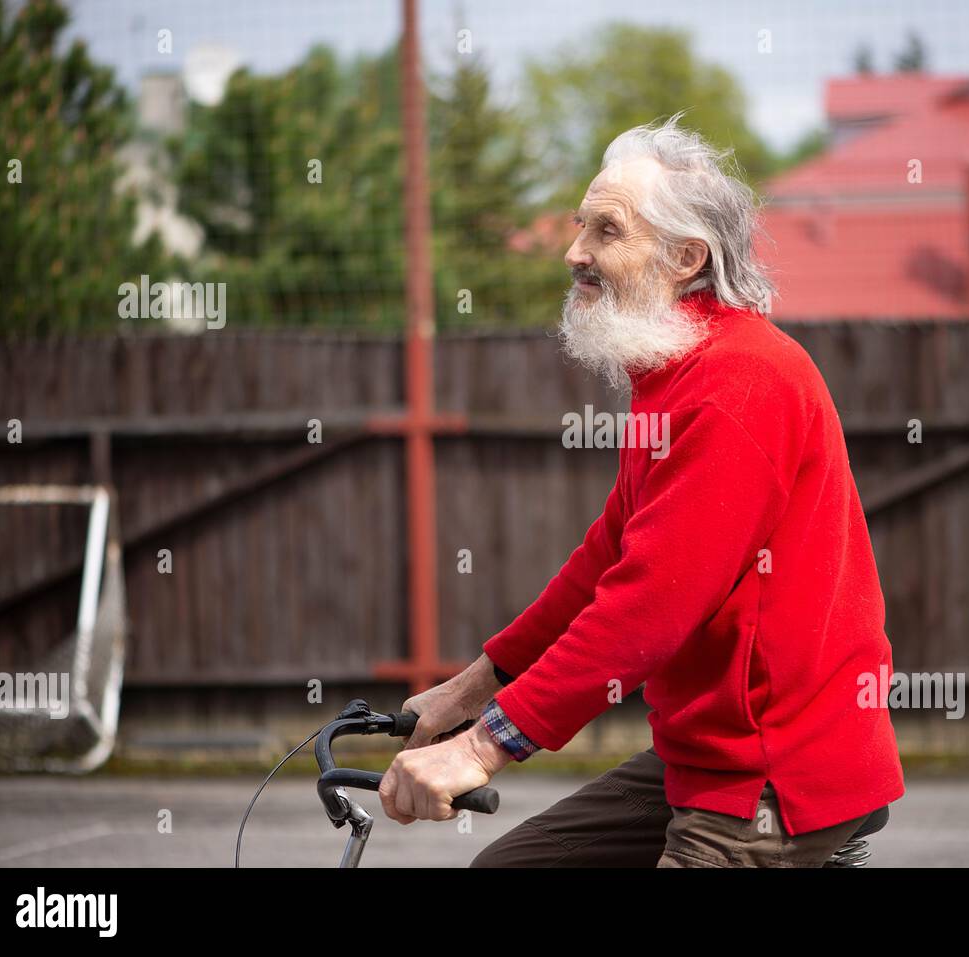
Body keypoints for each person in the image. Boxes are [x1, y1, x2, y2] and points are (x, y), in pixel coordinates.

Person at [377, 113, 905, 867]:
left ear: (686, 257)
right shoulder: (678, 369)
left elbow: (648, 607)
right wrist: (469, 691)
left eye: (606, 231)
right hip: (703, 755)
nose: (574, 252)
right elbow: (607, 559)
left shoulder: (737, 383)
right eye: (579, 227)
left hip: (769, 773)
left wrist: (486, 747)